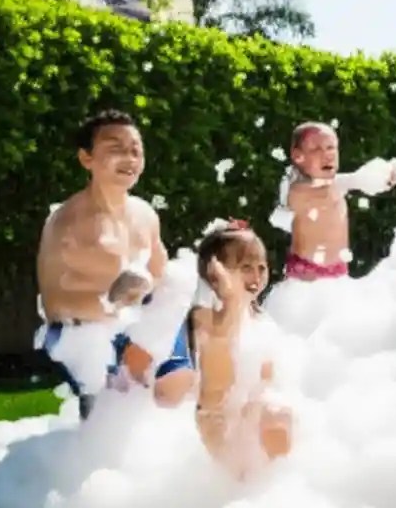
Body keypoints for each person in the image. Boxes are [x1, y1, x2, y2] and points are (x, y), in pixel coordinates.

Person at [35, 109, 195, 420]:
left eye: (136, 150)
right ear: (86, 158)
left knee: (176, 387)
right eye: (115, 149)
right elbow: (55, 304)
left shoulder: (145, 213)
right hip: (83, 333)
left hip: (133, 321)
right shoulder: (68, 223)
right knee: (111, 414)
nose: (129, 158)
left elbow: (162, 273)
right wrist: (113, 306)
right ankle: (98, 427)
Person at [191, 219, 292, 478]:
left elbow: (267, 380)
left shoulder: (262, 321)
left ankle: (276, 485)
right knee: (274, 416)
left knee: (282, 416)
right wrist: (230, 297)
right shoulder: (203, 317)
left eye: (261, 267)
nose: (257, 277)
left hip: (249, 417)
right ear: (216, 273)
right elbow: (220, 342)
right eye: (246, 267)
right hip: (216, 422)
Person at [270, 121, 396, 281]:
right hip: (306, 277)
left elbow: (348, 182)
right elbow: (323, 190)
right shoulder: (298, 190)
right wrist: (364, 178)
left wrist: (381, 177)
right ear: (298, 156)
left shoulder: (334, 185)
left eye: (331, 148)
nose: (327, 154)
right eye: (316, 149)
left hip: (338, 275)